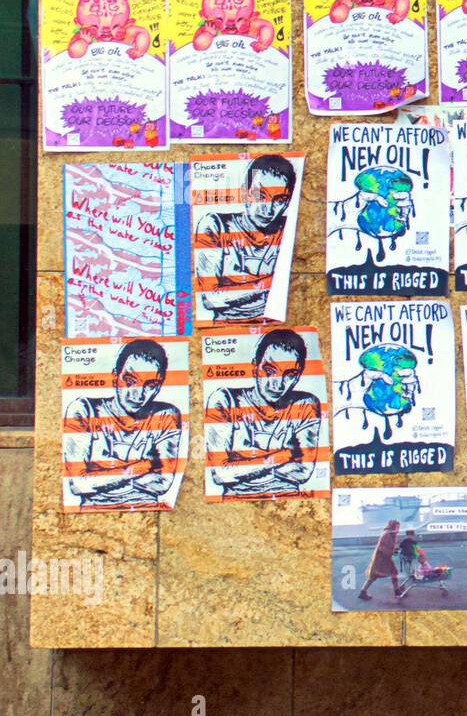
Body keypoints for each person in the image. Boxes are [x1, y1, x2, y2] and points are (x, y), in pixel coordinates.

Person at [63, 339, 183, 509]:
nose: (138, 394)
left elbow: (163, 483)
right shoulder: (84, 410)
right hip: (95, 513)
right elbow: (79, 484)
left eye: (151, 385)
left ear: (160, 386)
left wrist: (101, 473)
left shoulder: (165, 415)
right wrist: (144, 466)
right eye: (130, 380)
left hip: (146, 510)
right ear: (115, 376)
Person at [205, 328, 321, 500]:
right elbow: (220, 475)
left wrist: (242, 464)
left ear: (299, 376)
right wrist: (282, 456)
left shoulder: (305, 404)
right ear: (254, 367)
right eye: (269, 370)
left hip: (288, 503)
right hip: (235, 508)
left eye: (290, 375)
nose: (278, 384)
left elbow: (302, 472)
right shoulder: (225, 400)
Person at [194, 154, 298, 322]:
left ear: (288, 203)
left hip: (278, 325)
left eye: (279, 200)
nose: (268, 210)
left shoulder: (288, 229)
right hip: (225, 329)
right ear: (244, 191)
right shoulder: (214, 225)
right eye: (260, 195)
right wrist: (270, 282)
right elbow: (210, 299)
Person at [359, 519, 404, 601]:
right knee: (391, 573)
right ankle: (397, 592)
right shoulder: (387, 535)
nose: (398, 529)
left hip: (383, 559)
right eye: (396, 527)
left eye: (398, 527)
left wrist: (395, 551)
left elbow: (389, 548)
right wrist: (396, 552)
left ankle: (363, 592)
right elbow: (385, 549)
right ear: (392, 526)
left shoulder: (390, 534)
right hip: (382, 560)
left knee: (376, 576)